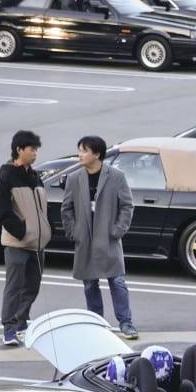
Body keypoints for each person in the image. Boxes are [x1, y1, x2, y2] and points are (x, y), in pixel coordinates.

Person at [60, 135, 137, 339]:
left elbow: (127, 206)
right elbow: (66, 208)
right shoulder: (75, 178)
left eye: (84, 151)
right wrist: (73, 232)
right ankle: (96, 323)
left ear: (97, 154)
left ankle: (126, 322)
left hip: (108, 238)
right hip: (84, 239)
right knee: (89, 283)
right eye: (80, 150)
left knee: (117, 281)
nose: (80, 155)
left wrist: (118, 230)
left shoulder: (116, 176)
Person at [0, 130, 51, 346]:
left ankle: (21, 322)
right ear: (19, 150)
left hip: (37, 243)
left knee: (32, 286)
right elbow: (2, 211)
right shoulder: (7, 176)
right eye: (31, 149)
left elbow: (42, 208)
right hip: (17, 243)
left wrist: (45, 229)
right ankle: (9, 328)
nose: (35, 154)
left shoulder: (34, 175)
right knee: (14, 287)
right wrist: (21, 231)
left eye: (36, 150)